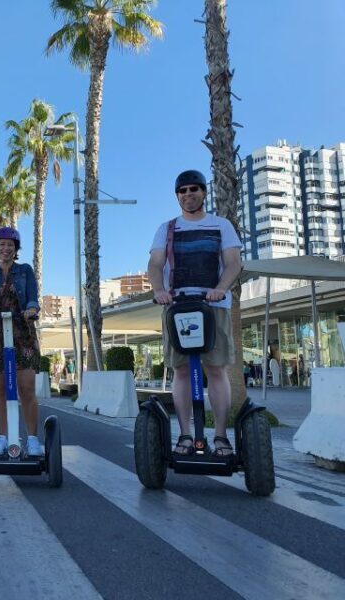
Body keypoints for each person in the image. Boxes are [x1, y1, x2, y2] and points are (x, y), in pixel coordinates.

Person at [147, 170, 242, 457]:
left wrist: (221, 288)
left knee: (216, 369)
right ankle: (186, 435)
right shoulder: (167, 228)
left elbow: (233, 263)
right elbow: (155, 264)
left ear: (203, 193)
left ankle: (222, 435)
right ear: (178, 196)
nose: (188, 195)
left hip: (213, 305)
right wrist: (159, 290)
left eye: (193, 190)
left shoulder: (221, 225)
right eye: (183, 191)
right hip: (177, 306)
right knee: (182, 370)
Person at [0, 226, 42, 456]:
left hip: (22, 332)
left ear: (16, 250)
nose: (6, 249)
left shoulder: (25, 271)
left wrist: (31, 309)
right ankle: (2, 438)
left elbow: (33, 296)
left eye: (10, 246)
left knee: (26, 389)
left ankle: (33, 439)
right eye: (1, 245)